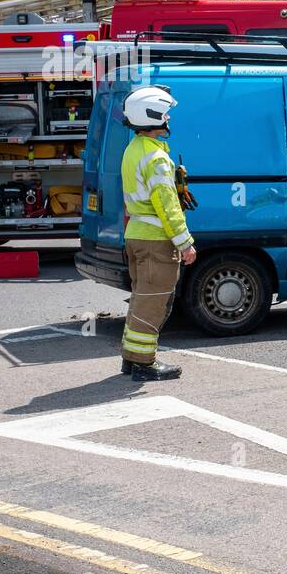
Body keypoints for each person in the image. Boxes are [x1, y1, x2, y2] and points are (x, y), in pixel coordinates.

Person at [119, 86, 196, 381]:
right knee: (154, 301)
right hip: (155, 239)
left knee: (142, 297)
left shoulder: (133, 150)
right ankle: (143, 364)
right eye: (165, 114)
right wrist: (185, 242)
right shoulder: (157, 158)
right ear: (152, 115)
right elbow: (166, 205)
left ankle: (131, 358)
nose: (168, 120)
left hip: (137, 234)